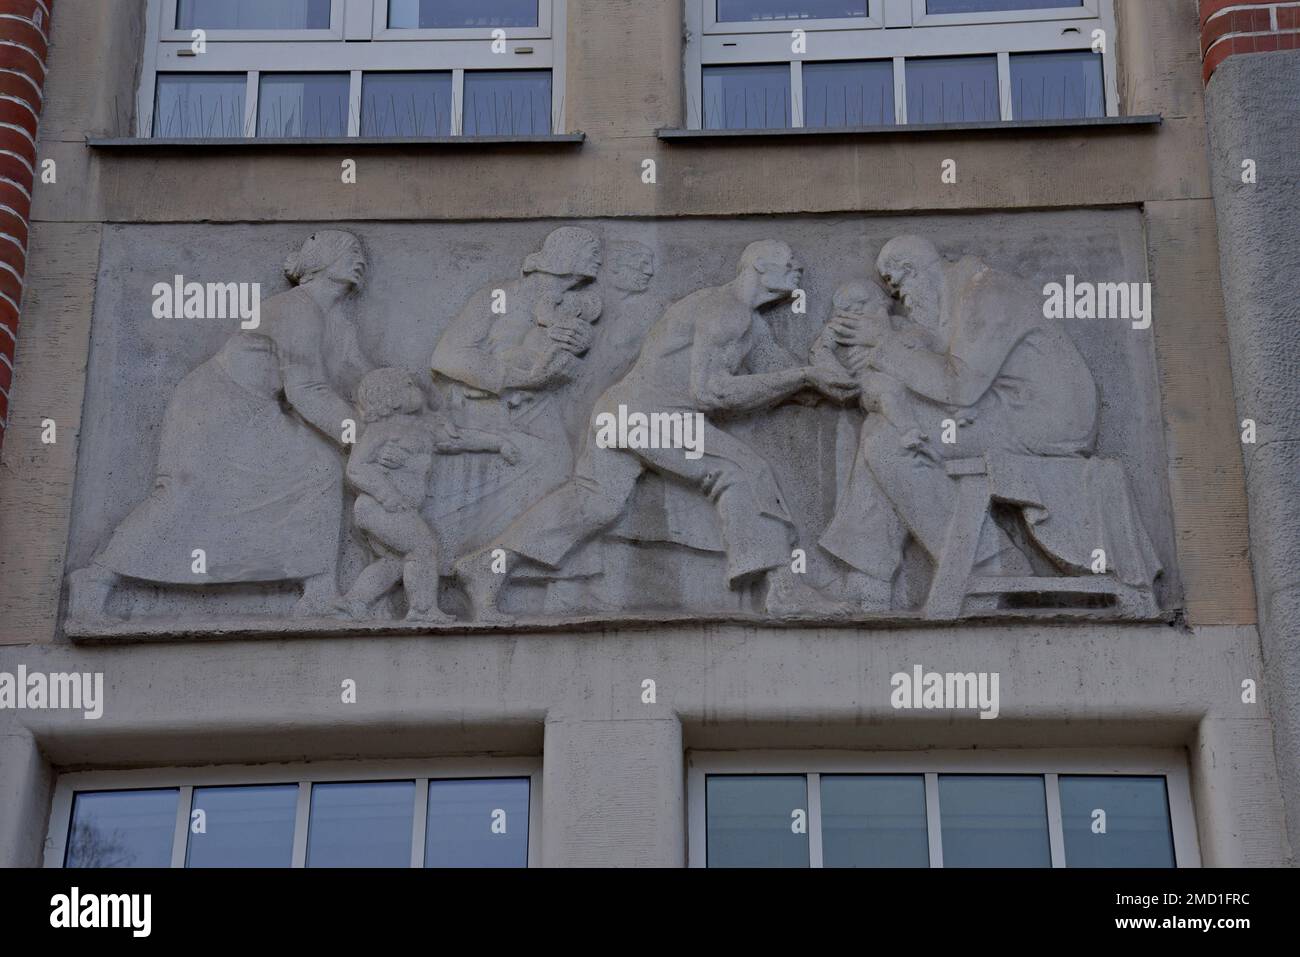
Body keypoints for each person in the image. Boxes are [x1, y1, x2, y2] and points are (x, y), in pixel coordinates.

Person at [453, 240, 860, 622]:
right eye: (787, 262)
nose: (798, 268)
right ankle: (783, 589)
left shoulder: (750, 323)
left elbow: (786, 380)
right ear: (758, 267)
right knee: (744, 470)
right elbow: (712, 392)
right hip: (651, 414)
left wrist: (819, 365)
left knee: (595, 503)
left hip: (619, 411)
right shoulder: (724, 311)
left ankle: (488, 565)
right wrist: (805, 377)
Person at [68, 231, 371, 622]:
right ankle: (95, 582)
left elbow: (360, 374)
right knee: (184, 495)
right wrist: (359, 435)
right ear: (323, 262)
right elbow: (307, 392)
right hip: (218, 404)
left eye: (360, 252)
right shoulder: (297, 309)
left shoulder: (335, 320)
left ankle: (319, 591)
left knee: (319, 471)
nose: (359, 259)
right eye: (350, 252)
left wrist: (409, 412)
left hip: (257, 410)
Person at [821, 235, 1115, 605]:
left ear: (913, 271)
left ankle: (990, 565)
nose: (900, 302)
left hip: (1041, 421)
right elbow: (940, 373)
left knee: (888, 440)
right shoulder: (956, 299)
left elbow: (959, 387)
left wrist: (883, 346)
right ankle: (869, 582)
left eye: (897, 287)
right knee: (886, 424)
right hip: (1002, 409)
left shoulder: (987, 292)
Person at [333, 367, 518, 623]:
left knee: (395, 562)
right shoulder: (382, 429)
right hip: (379, 508)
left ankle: (354, 602)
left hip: (397, 509)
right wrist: (387, 495)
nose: (416, 389)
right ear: (391, 396)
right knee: (423, 548)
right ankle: (422, 610)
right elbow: (356, 468)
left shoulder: (423, 427)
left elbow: (458, 440)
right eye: (408, 385)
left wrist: (498, 443)